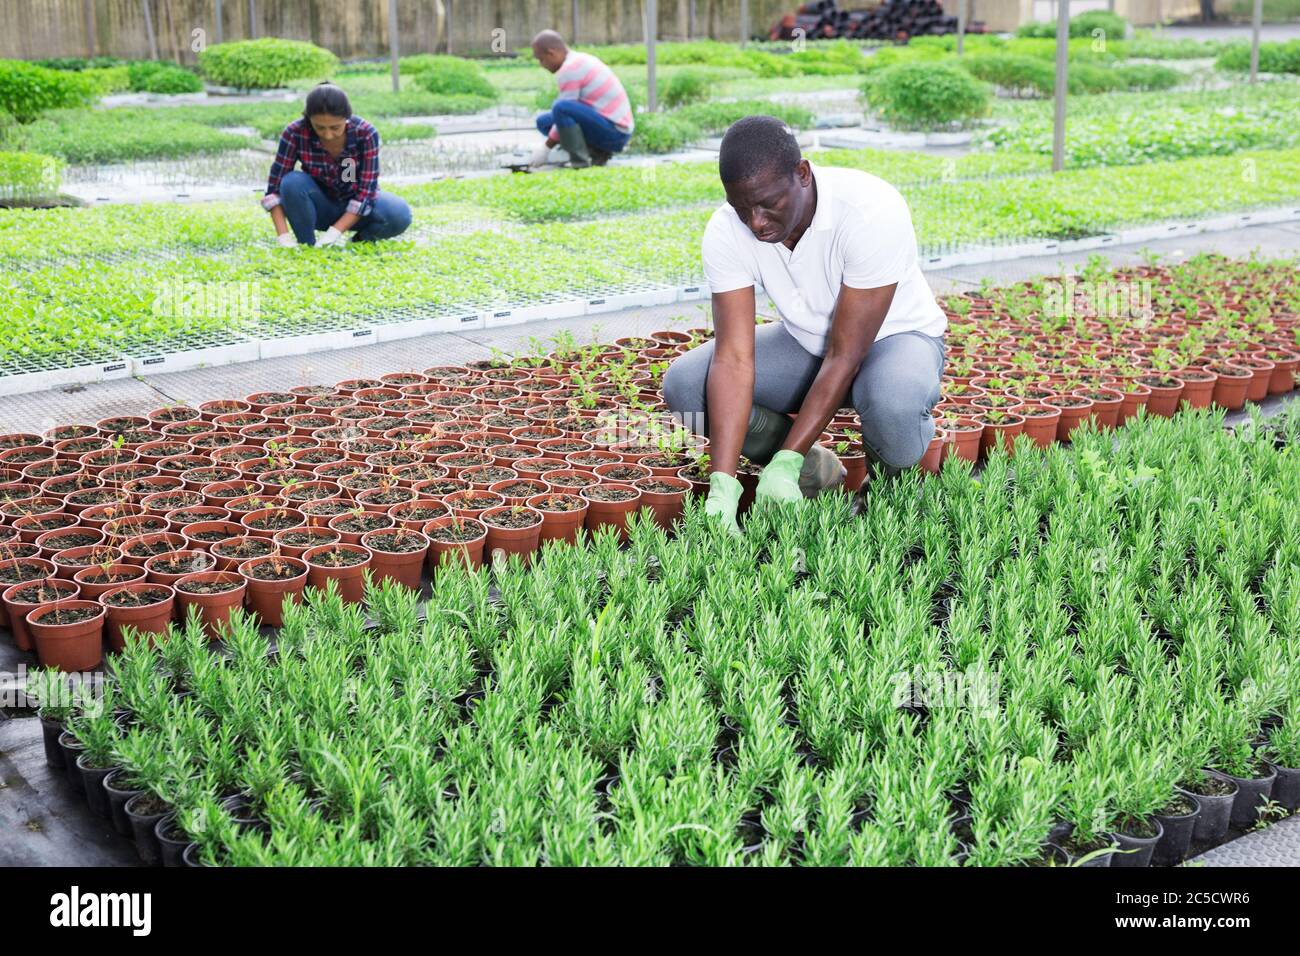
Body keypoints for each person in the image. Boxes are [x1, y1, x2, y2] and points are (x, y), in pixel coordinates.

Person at [662, 116, 948, 534]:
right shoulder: (726, 230)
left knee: (892, 399)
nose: (756, 222)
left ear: (802, 174)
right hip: (806, 345)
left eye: (767, 204)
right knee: (688, 386)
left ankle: (889, 492)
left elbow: (846, 353)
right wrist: (722, 484)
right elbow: (733, 358)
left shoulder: (869, 210)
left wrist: (786, 457)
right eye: (743, 208)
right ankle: (815, 470)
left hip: (894, 341)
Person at [262, 83, 412, 247]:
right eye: (319, 127)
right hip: (318, 206)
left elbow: (366, 192)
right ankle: (307, 245)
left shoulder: (365, 133)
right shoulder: (294, 132)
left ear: (347, 118)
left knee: (399, 214)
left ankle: (359, 243)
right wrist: (283, 237)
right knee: (291, 182)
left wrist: (334, 233)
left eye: (335, 127)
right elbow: (274, 190)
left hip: (355, 207)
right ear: (308, 119)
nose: (328, 135)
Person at [528, 30, 634, 170]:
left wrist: (545, 149)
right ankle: (596, 152)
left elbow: (563, 109)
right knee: (543, 122)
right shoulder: (577, 60)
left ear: (552, 53)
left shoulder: (570, 69)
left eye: (541, 59)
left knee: (560, 108)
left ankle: (580, 163)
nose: (541, 65)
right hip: (605, 124)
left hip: (616, 133)